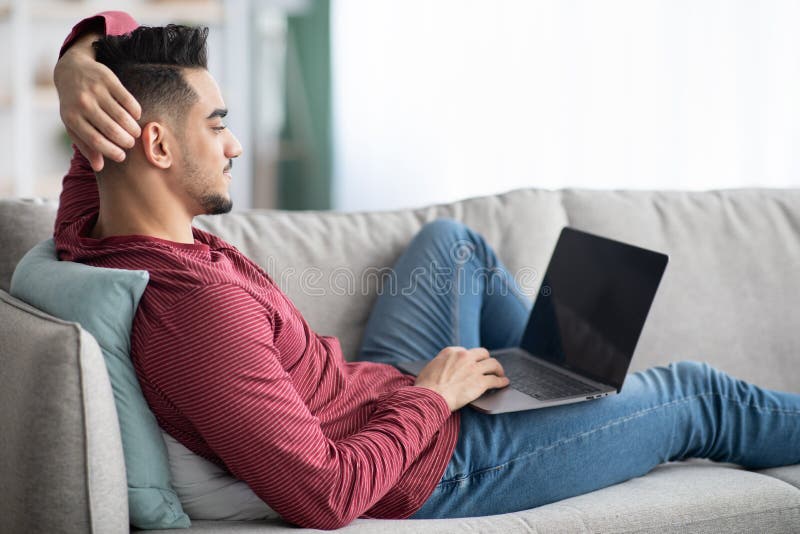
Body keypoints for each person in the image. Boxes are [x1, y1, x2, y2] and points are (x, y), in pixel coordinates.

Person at [54, 11, 799, 531]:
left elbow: (117, 31)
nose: (235, 144)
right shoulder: (198, 313)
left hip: (382, 396)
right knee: (699, 396)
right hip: (439, 467)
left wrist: (74, 63)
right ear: (154, 145)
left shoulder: (92, 225)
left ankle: (551, 383)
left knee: (453, 245)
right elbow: (323, 495)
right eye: (216, 124)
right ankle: (579, 410)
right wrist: (436, 399)